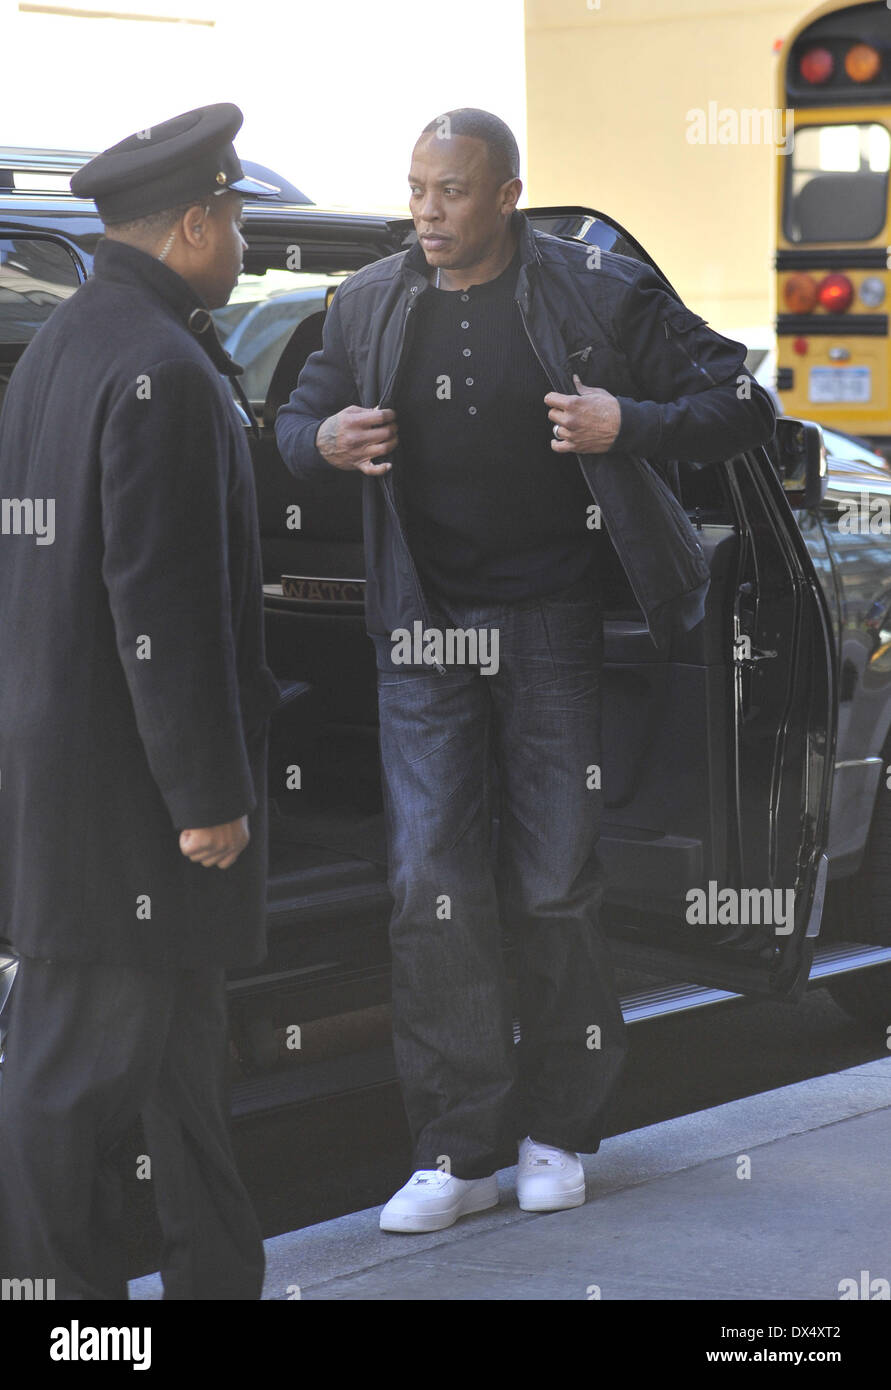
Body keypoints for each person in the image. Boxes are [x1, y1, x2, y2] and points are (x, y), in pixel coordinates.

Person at [275, 108, 776, 1233]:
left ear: (507, 193)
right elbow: (292, 415)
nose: (427, 213)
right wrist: (323, 442)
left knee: (553, 879)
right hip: (420, 628)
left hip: (547, 619)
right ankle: (458, 1150)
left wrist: (625, 422)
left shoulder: (593, 292)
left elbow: (746, 402)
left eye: (450, 191)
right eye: (415, 190)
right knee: (429, 887)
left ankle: (560, 1129)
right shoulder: (366, 302)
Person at [0, 103, 282, 1297]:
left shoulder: (68, 345)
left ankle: (214, 1279)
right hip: (130, 804)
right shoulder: (160, 364)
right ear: (194, 223)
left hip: (83, 781)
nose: (244, 251)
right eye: (233, 224)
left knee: (176, 1076)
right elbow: (156, 611)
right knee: (70, 1084)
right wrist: (206, 797)